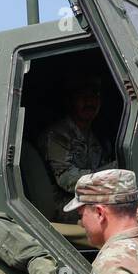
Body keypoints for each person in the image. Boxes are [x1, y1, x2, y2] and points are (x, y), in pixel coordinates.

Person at [37, 74, 112, 212]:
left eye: (94, 96)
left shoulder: (98, 139)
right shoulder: (57, 135)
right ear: (70, 101)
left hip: (89, 200)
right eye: (82, 96)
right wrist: (112, 174)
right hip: (63, 206)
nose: (89, 101)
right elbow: (66, 179)